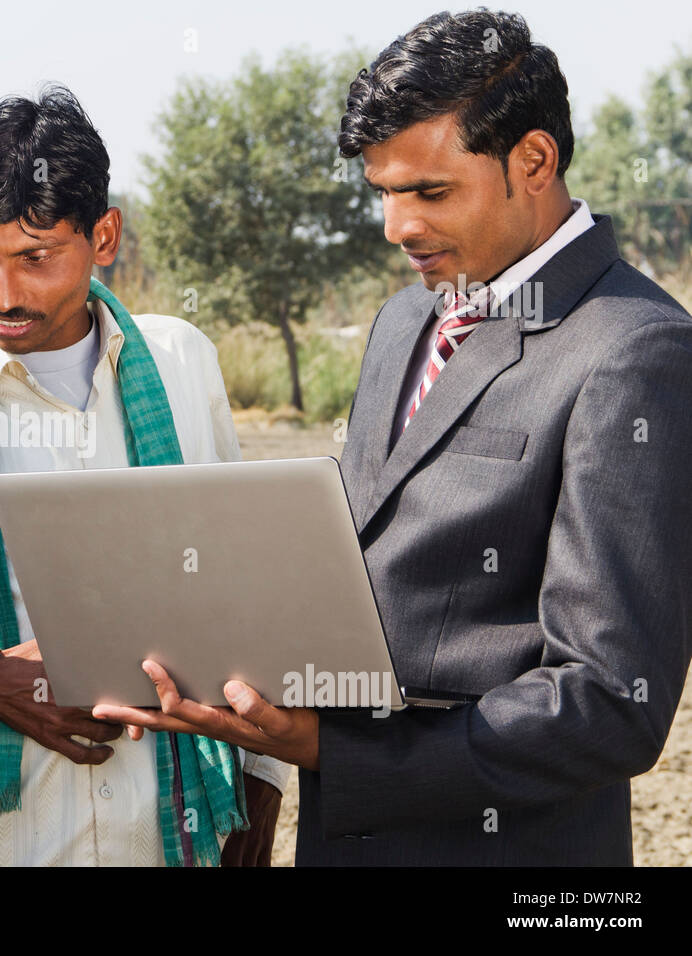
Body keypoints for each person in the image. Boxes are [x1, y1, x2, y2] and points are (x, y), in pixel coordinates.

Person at [94, 9, 692, 865]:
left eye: (429, 192)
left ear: (534, 161)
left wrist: (339, 752)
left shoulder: (637, 352)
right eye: (383, 192)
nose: (396, 227)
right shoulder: (405, 317)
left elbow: (609, 703)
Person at [0, 86, 289, 867]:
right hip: (6, 838)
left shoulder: (182, 363)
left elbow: (245, 592)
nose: (0, 294)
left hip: (175, 827)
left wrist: (262, 785)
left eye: (35, 258)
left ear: (103, 235)